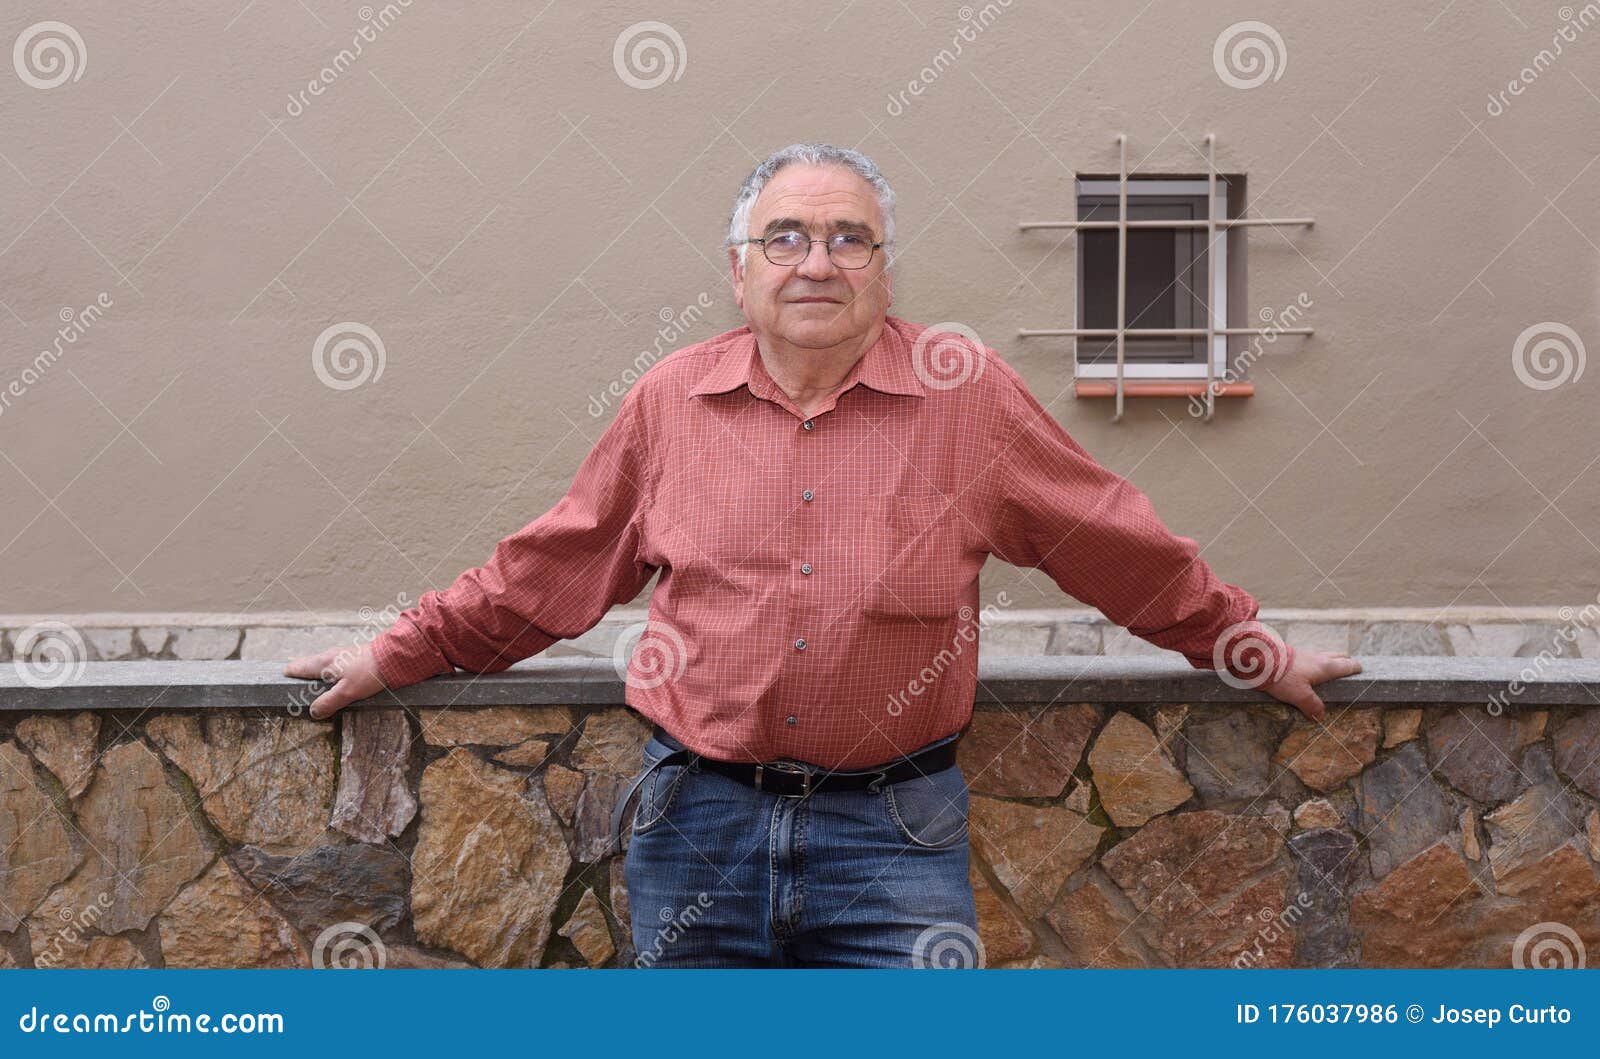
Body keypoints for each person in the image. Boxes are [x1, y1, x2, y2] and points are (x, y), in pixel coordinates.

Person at [286, 142, 1361, 968]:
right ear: (739, 270)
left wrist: (1243, 644)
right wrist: (396, 653)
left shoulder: (966, 396)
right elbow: (554, 567)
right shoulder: (672, 403)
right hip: (696, 820)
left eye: (850, 239)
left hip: (893, 832)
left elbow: (1109, 543)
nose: (818, 263)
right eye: (786, 238)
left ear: (884, 269)